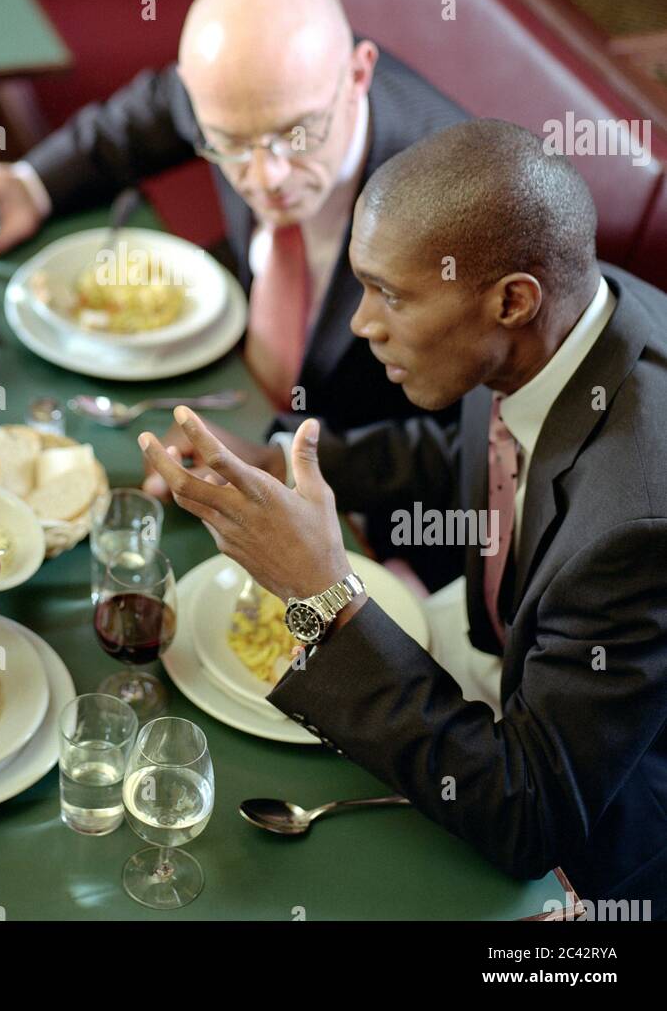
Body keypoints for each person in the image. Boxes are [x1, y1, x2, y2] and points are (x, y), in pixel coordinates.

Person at [138, 119, 667, 914]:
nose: (360, 322)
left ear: (513, 301)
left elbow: (533, 814)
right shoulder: (567, 312)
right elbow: (467, 451)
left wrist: (324, 595)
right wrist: (283, 459)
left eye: (390, 295)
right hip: (499, 670)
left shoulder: (635, 525)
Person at [0, 0, 466, 585]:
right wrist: (32, 183)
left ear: (358, 73)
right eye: (229, 144)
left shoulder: (453, 207)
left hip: (392, 507)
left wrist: (289, 462)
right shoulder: (231, 93)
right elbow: (148, 110)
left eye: (296, 135)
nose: (265, 180)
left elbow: (473, 440)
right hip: (237, 384)